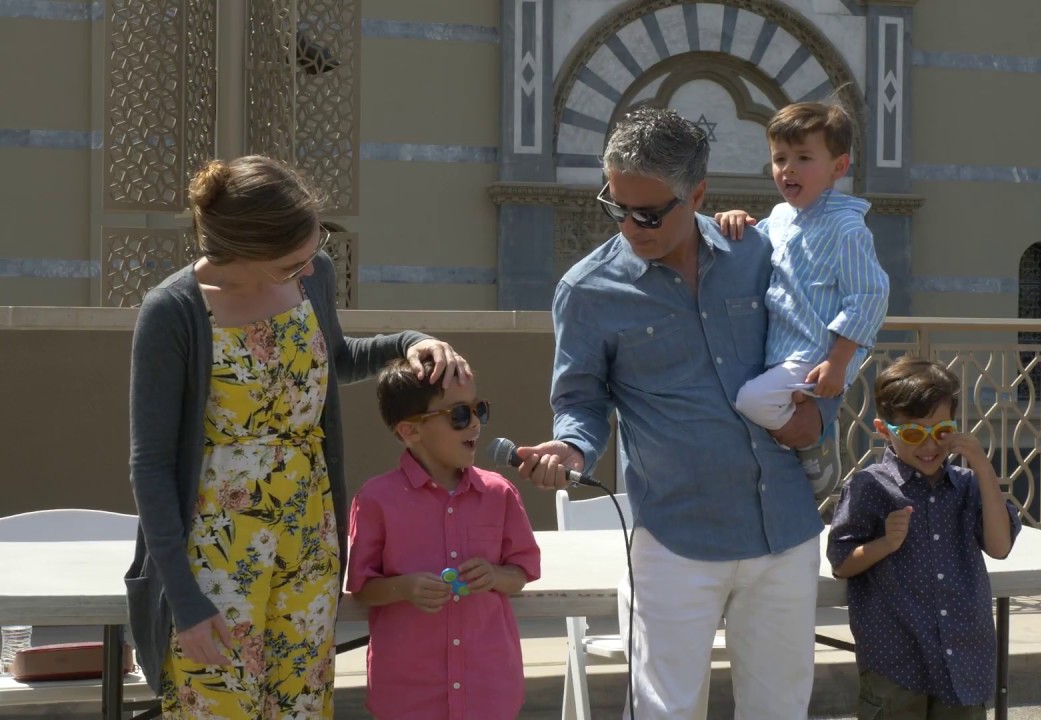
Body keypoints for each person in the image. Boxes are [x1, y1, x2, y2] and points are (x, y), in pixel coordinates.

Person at [517, 107, 840, 720]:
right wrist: (573, 447)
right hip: (674, 542)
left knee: (780, 711)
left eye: (648, 212)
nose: (630, 225)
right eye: (615, 207)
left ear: (698, 193)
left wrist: (821, 417)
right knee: (665, 712)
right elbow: (580, 401)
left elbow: (827, 346)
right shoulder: (585, 291)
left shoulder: (764, 253)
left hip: (785, 531)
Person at [124, 155, 472, 718]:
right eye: (292, 264)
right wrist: (184, 602)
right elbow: (151, 465)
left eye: (313, 254)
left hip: (310, 539)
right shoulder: (174, 311)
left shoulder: (316, 275)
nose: (308, 271)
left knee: (301, 708)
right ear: (246, 250)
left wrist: (409, 341)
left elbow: (334, 359)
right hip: (215, 557)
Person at [826, 356, 1021, 719]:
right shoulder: (870, 486)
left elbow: (1000, 547)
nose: (929, 445)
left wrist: (982, 467)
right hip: (895, 658)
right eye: (914, 433)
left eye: (941, 431)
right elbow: (841, 563)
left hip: (962, 657)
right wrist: (884, 544)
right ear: (885, 430)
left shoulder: (966, 486)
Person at [346, 358, 541, 720]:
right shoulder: (376, 499)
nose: (476, 423)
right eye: (459, 415)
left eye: (478, 409)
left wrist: (495, 576)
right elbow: (362, 587)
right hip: (408, 693)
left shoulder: (499, 493)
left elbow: (522, 572)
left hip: (488, 686)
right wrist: (404, 588)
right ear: (410, 431)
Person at [716, 101, 890, 502]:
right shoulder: (780, 216)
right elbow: (760, 250)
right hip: (782, 348)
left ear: (838, 166)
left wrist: (838, 362)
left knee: (749, 400)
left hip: (817, 356)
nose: (787, 169)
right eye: (780, 158)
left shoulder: (846, 228)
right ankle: (794, 441)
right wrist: (737, 219)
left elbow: (870, 296)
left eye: (803, 158)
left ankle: (815, 444)